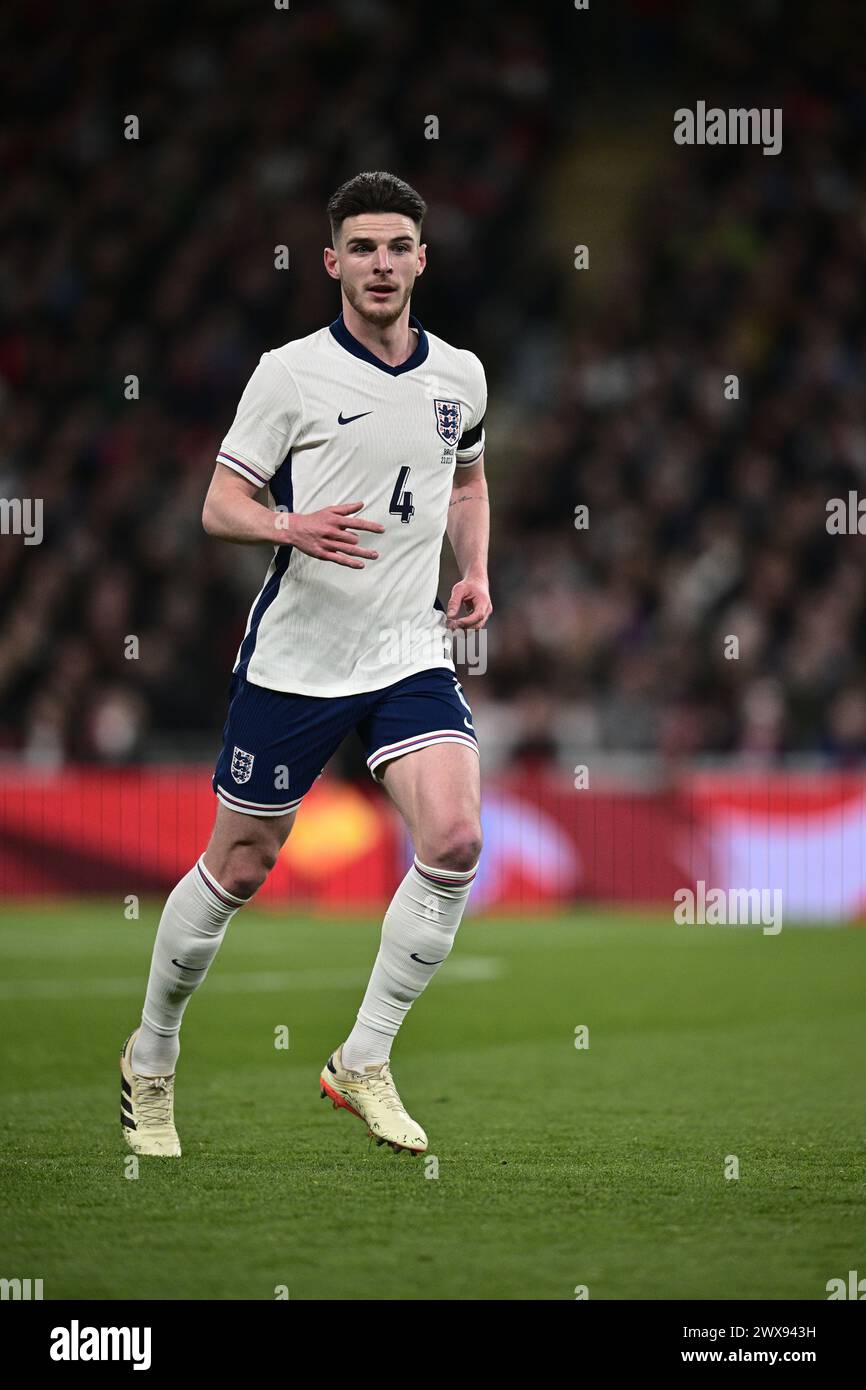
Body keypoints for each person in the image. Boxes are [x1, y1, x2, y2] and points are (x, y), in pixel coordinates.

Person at [120, 170, 492, 1157]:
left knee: (453, 837)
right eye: (360, 248)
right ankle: (150, 1056)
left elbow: (468, 480)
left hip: (406, 647)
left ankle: (361, 1059)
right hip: (299, 655)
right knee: (240, 864)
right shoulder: (287, 374)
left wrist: (476, 570)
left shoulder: (461, 374)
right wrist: (290, 525)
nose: (379, 265)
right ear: (331, 261)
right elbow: (219, 505)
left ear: (421, 260)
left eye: (395, 247)